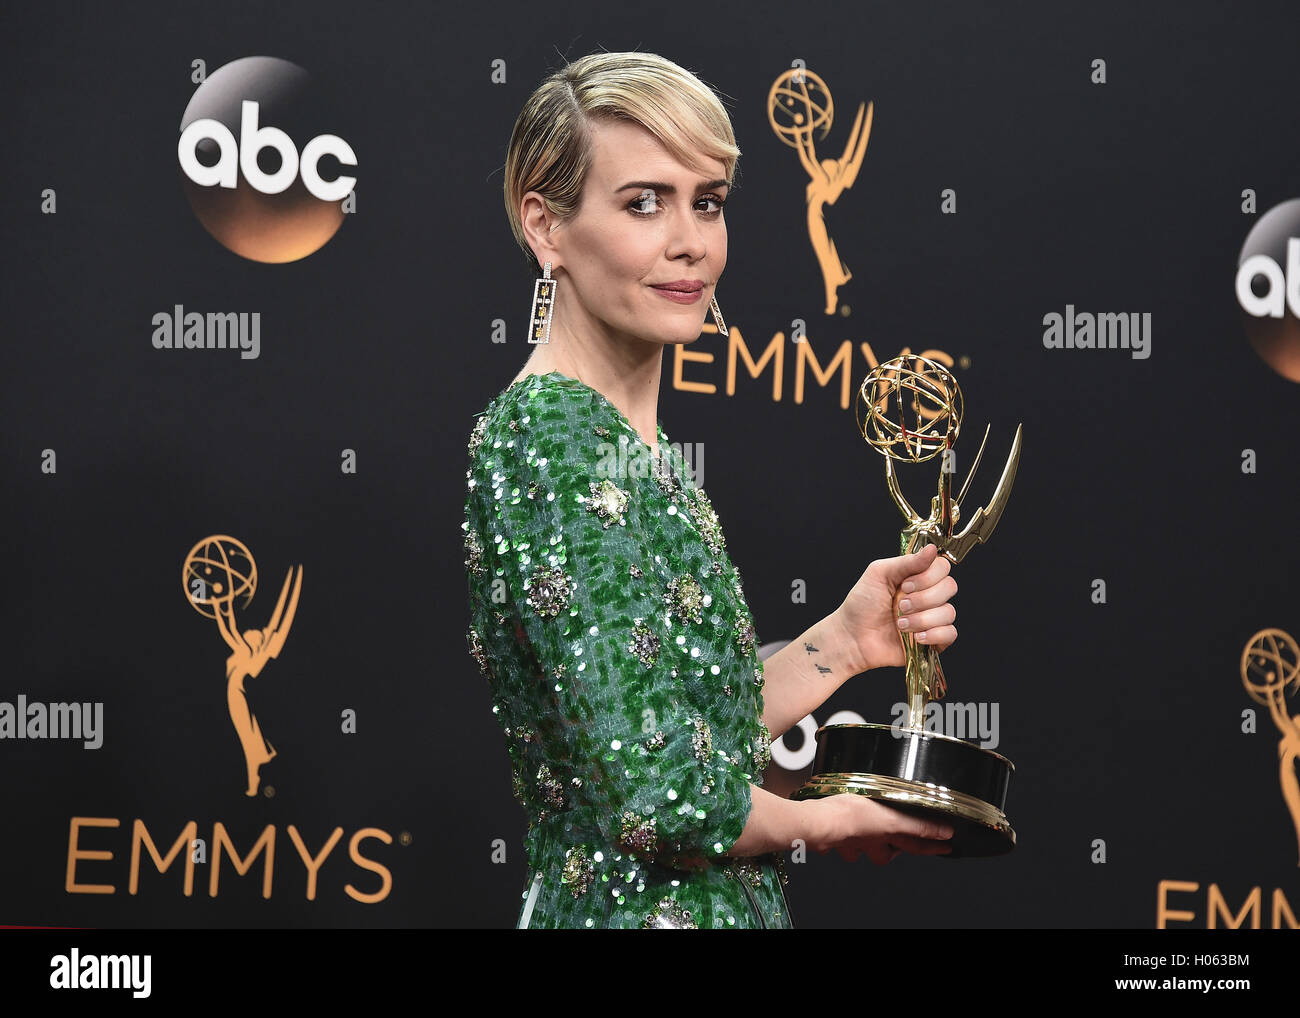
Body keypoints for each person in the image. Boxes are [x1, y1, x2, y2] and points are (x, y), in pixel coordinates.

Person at [462, 51, 958, 929]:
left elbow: (685, 725)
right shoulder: (552, 438)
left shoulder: (625, 443)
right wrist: (831, 820)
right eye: (643, 201)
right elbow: (662, 795)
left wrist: (842, 642)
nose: (690, 239)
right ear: (545, 226)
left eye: (709, 202)